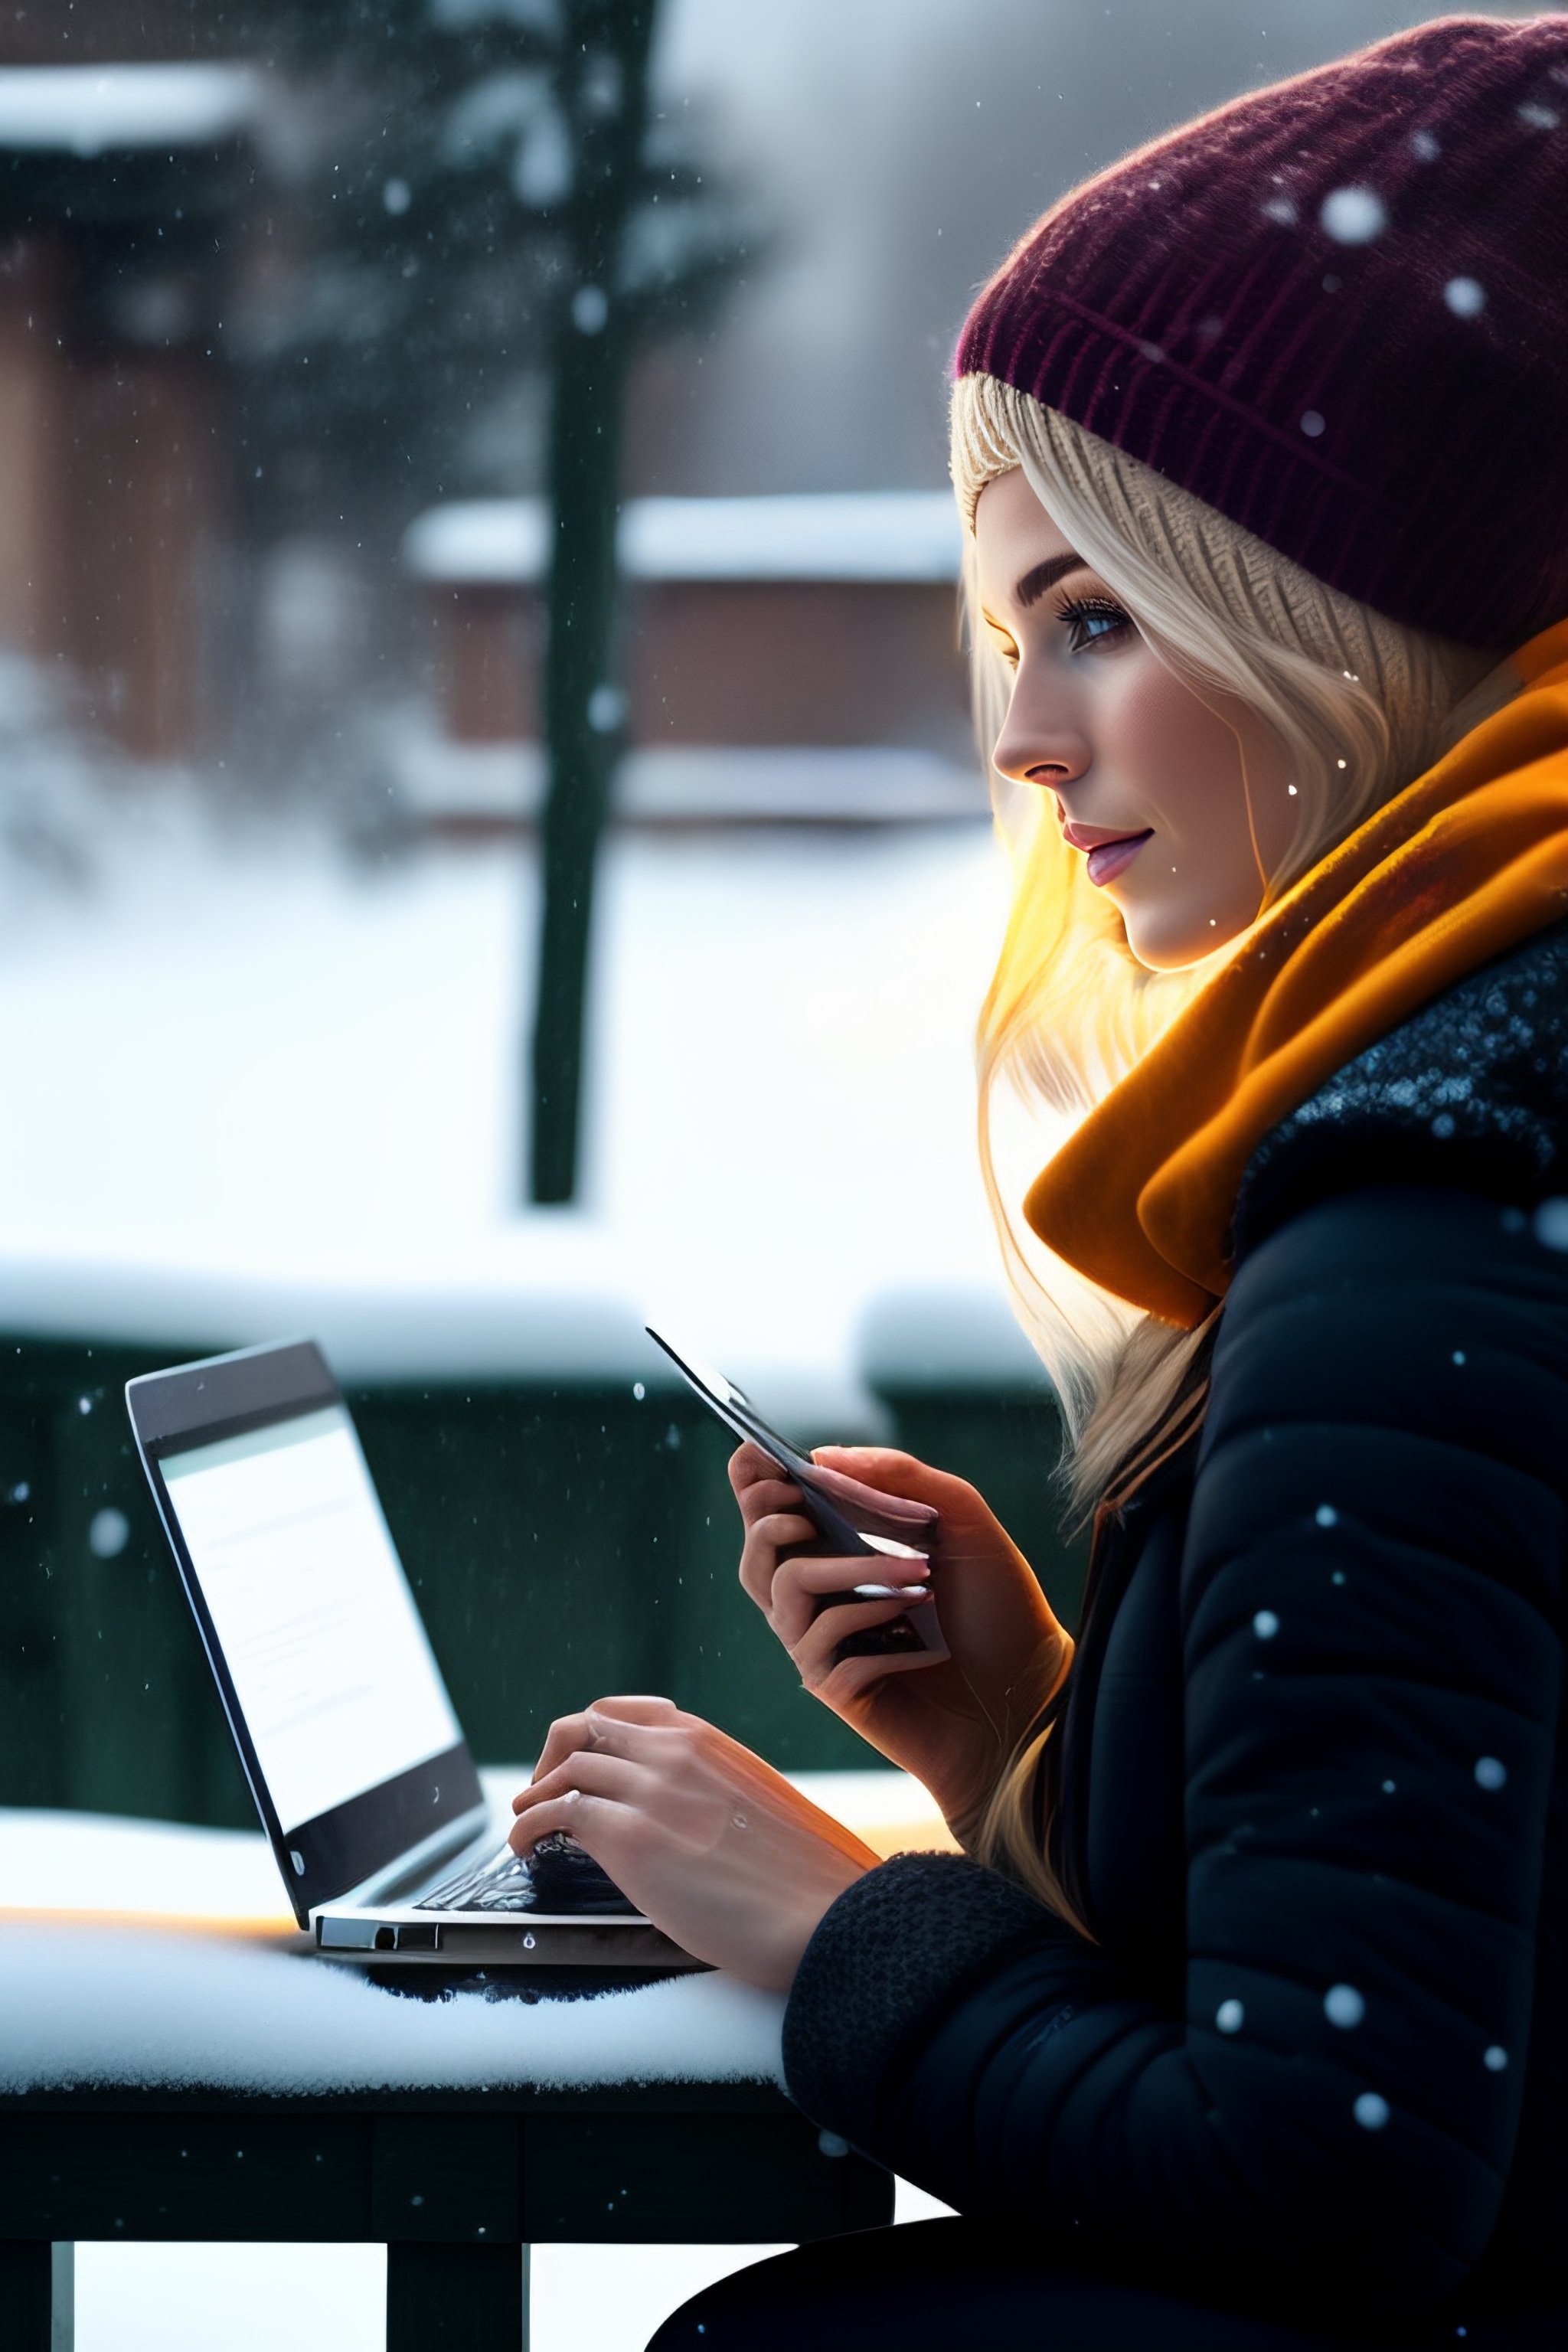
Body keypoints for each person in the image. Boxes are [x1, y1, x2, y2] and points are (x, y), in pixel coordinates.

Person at [508, 18, 1568, 2345]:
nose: (1021, 734)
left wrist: (828, 1922)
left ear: (1364, 632)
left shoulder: (1431, 1206)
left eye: (1097, 616)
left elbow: (1330, 2177)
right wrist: (1016, 1735)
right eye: (1012, 634)